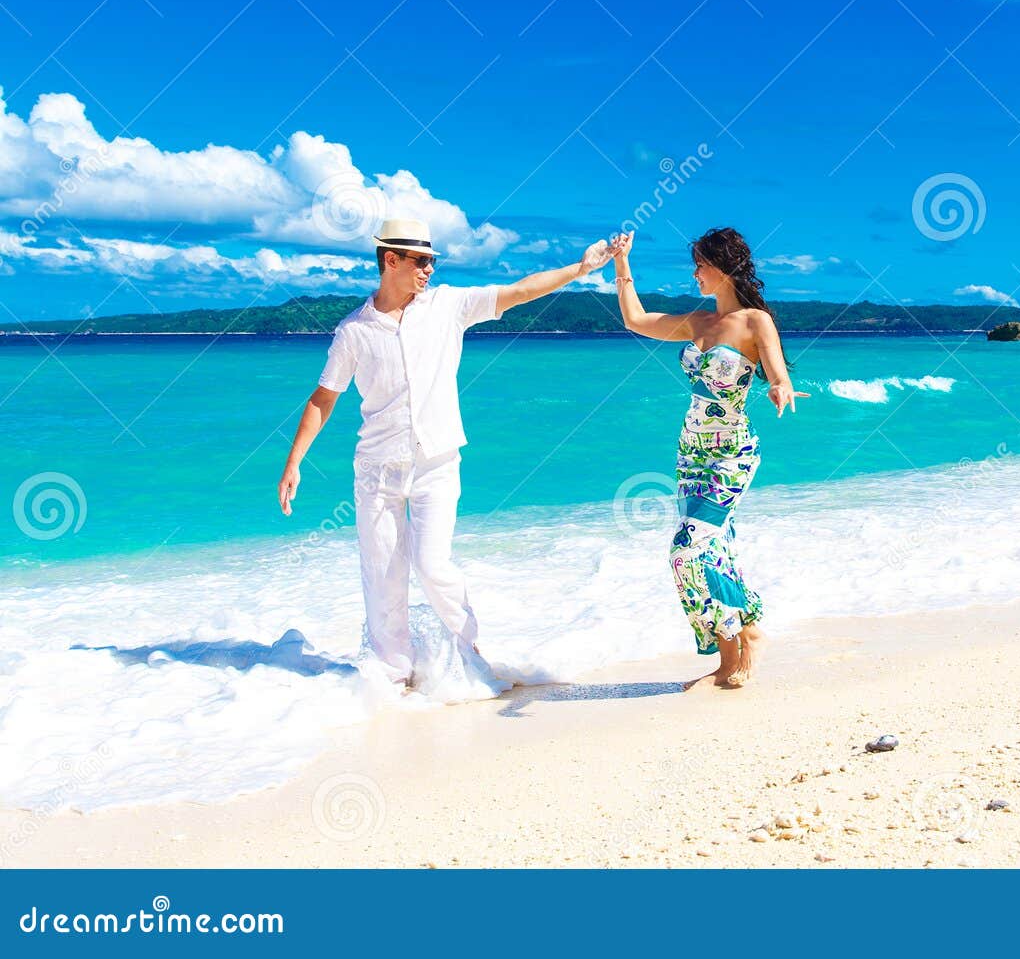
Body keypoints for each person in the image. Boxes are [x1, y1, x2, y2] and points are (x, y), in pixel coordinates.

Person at [277, 218, 612, 691]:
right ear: (390, 260)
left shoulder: (448, 305)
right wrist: (294, 462)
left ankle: (468, 651)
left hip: (436, 463)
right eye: (420, 261)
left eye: (432, 260)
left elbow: (519, 292)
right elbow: (323, 398)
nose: (429, 269)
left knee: (432, 565)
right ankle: (393, 678)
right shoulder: (354, 330)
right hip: (376, 469)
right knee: (383, 576)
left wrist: (580, 268)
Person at [608, 226, 805, 688]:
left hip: (733, 454)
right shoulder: (698, 322)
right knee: (714, 551)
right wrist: (621, 261)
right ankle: (730, 654)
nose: (694, 274)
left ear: (722, 267)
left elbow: (776, 368)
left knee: (686, 549)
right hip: (691, 454)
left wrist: (781, 386)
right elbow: (636, 319)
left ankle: (747, 634)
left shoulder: (755, 321)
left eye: (700, 265)